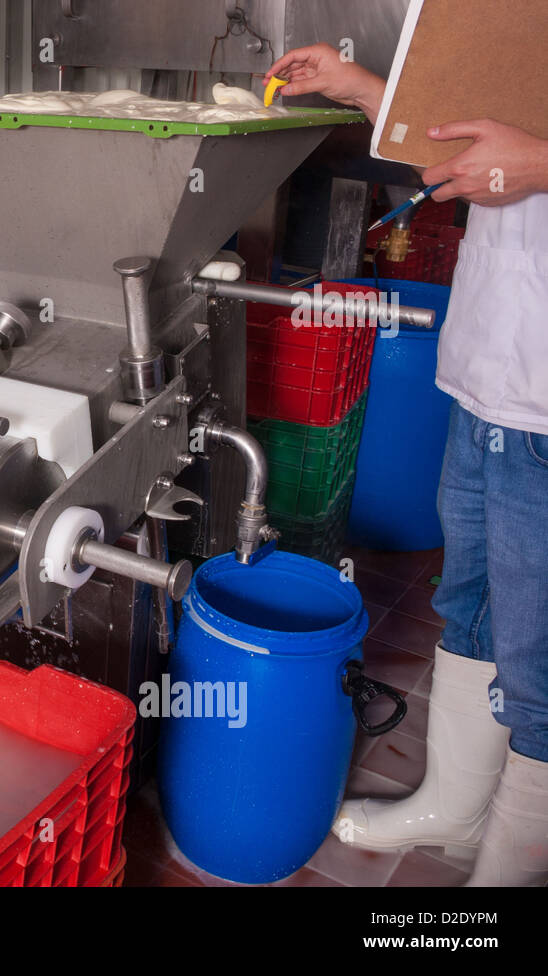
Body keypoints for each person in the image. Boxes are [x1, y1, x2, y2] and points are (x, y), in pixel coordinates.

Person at [265, 44, 548, 887]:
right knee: (468, 603)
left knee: (539, 656)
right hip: (490, 374)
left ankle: (514, 868)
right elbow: (476, 134)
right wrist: (364, 91)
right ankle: (458, 810)